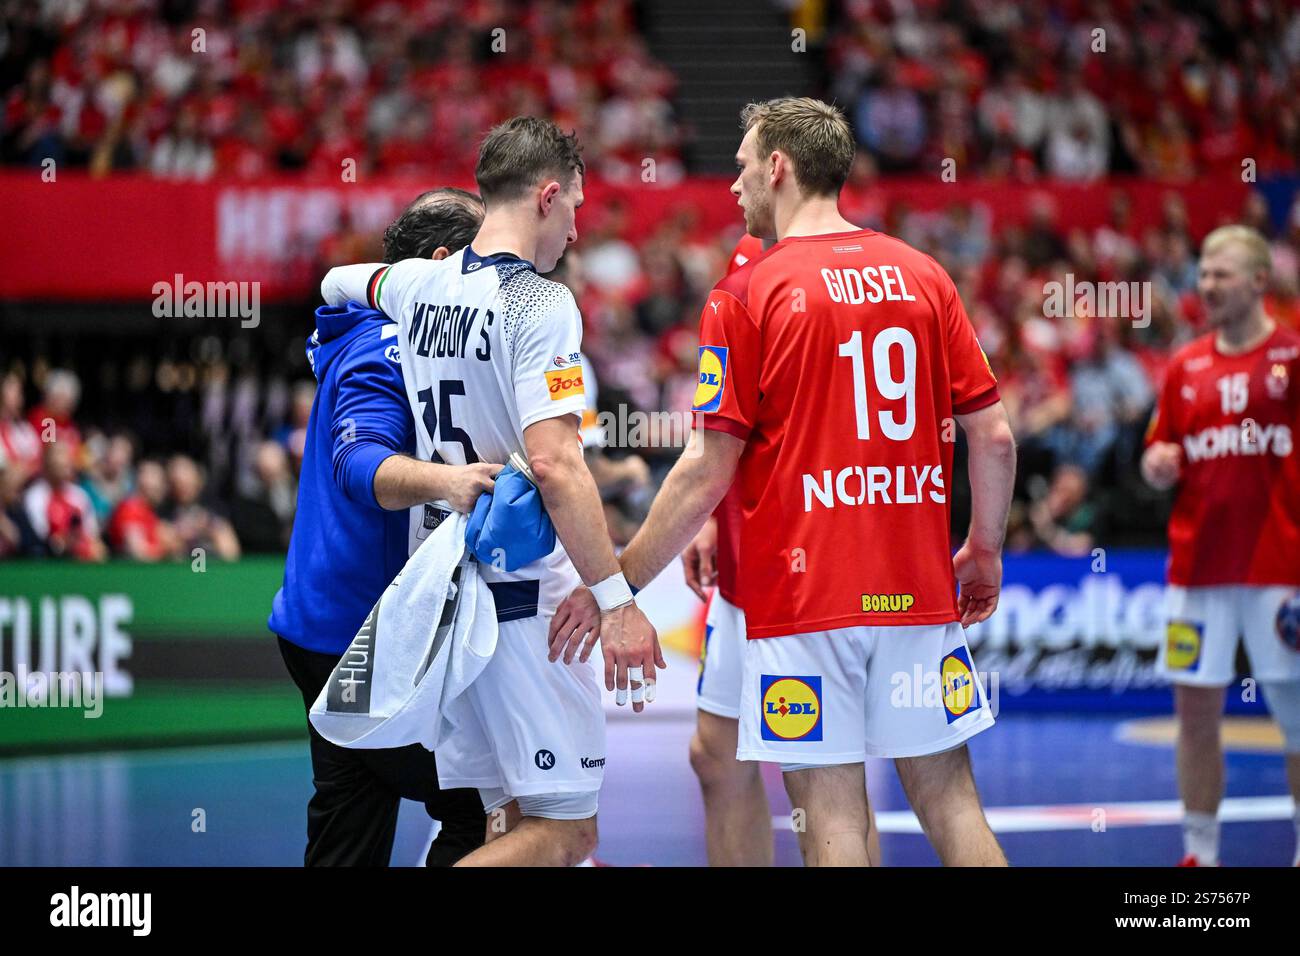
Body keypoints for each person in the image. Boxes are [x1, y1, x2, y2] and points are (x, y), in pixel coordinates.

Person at [581, 97, 1016, 866]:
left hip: (805, 597)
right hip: (916, 589)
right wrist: (983, 549)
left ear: (778, 166)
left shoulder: (750, 290)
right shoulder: (925, 275)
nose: (734, 185)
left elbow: (705, 466)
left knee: (833, 819)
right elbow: (996, 436)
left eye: (743, 166)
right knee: (952, 803)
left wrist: (619, 585)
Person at [320, 117, 662, 867]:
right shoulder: (542, 304)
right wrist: (617, 603)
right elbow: (556, 465)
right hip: (526, 600)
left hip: (454, 592)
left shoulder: (419, 283)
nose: (576, 227)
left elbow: (338, 282)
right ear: (547, 196)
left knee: (501, 820)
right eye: (575, 207)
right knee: (568, 830)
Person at [270, 187, 499, 867]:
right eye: (485, 258)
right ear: (440, 263)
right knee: (489, 810)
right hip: (364, 641)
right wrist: (451, 483)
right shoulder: (391, 345)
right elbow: (359, 463)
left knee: (351, 828)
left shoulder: (377, 335)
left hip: (323, 625)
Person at [1141, 224, 1300, 867]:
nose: (1206, 285)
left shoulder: (1292, 359)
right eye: (1203, 273)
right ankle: (1200, 856)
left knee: (1294, 717)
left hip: (1279, 571)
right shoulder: (1185, 365)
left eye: (1221, 273)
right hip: (1198, 569)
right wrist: (1156, 464)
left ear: (1259, 281)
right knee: (1196, 715)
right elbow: (1159, 448)